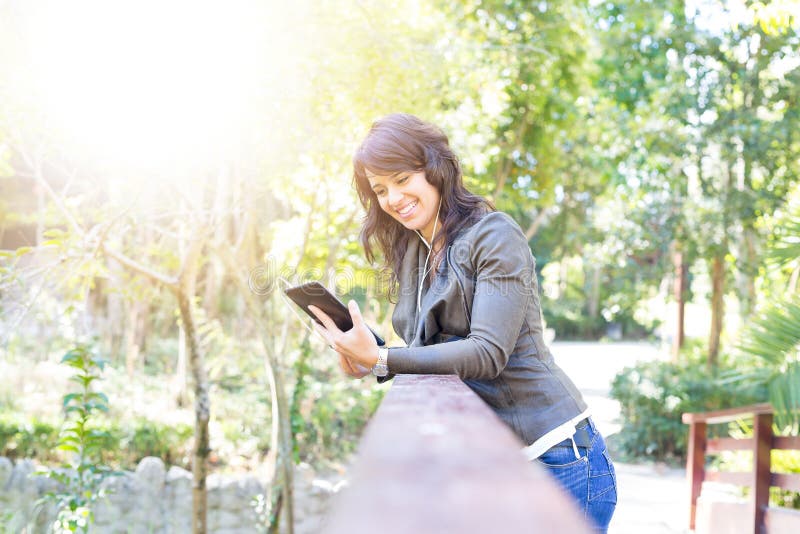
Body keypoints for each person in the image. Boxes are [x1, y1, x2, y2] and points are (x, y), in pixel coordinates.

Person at [308, 113, 617, 532]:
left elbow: (486, 353)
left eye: (401, 179)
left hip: (561, 460)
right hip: (503, 465)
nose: (393, 198)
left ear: (434, 167)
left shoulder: (494, 235)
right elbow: (422, 347)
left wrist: (382, 358)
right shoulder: (415, 249)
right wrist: (367, 357)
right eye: (380, 190)